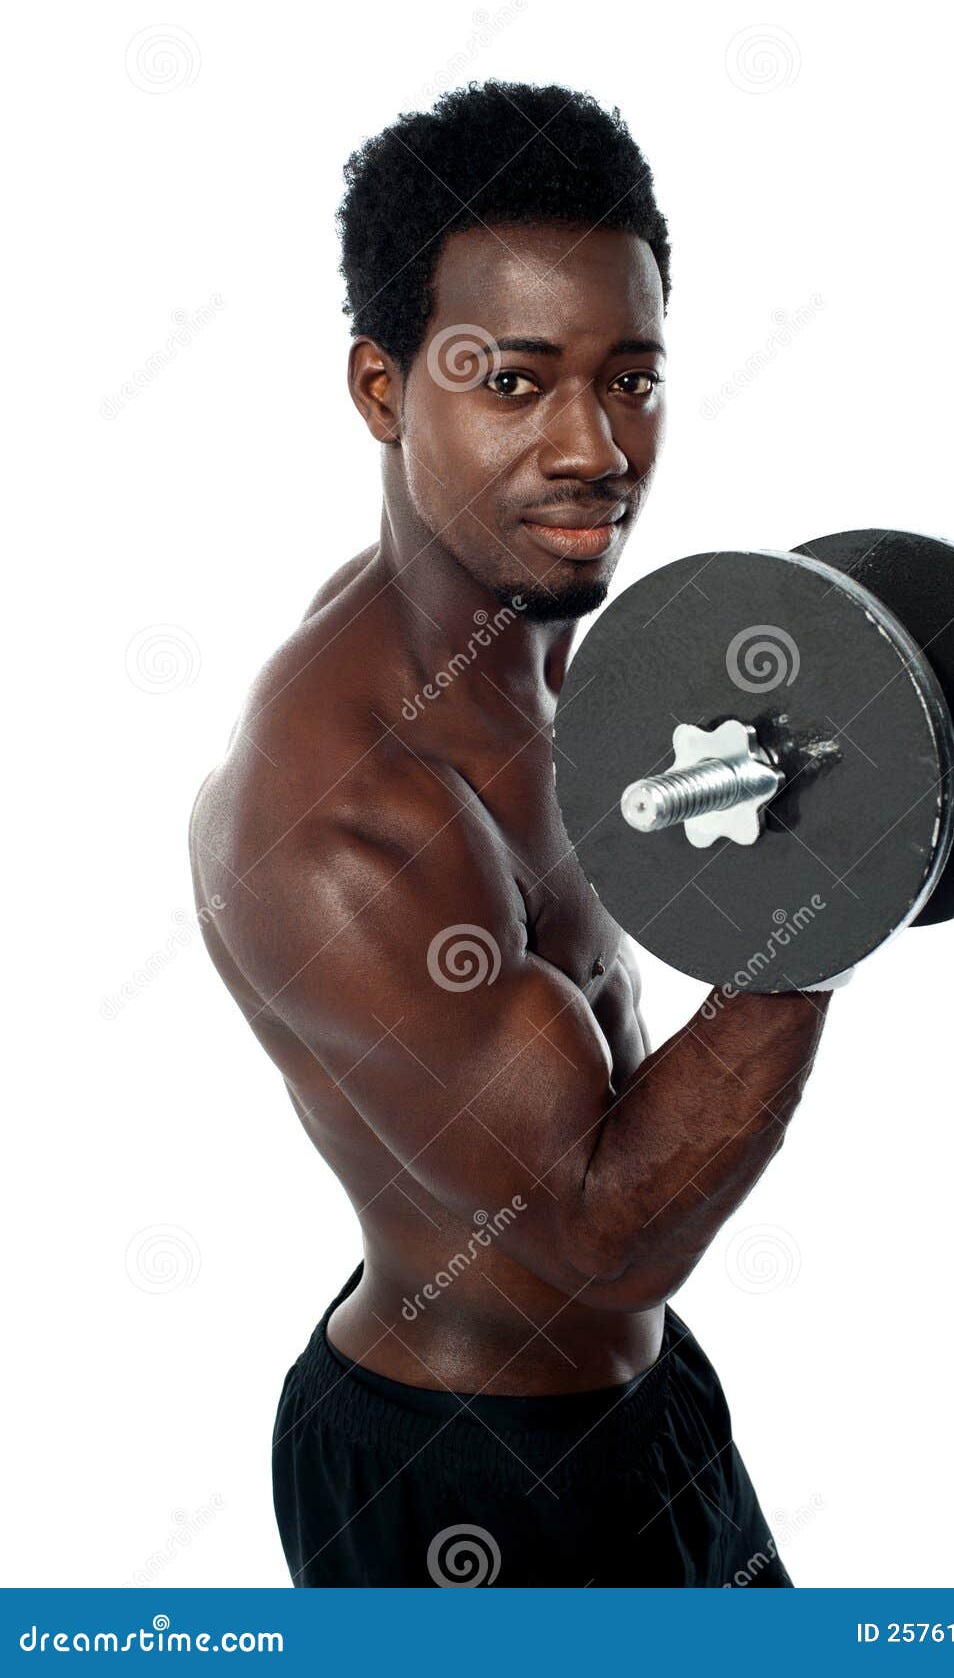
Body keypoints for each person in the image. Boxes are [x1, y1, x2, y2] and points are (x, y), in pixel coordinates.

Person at [189, 80, 830, 1588]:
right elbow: (601, 1236)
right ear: (381, 387)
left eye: (632, 379)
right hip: (460, 1482)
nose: (594, 445)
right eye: (518, 381)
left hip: (648, 1407)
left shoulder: (536, 641)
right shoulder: (347, 807)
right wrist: (821, 904)